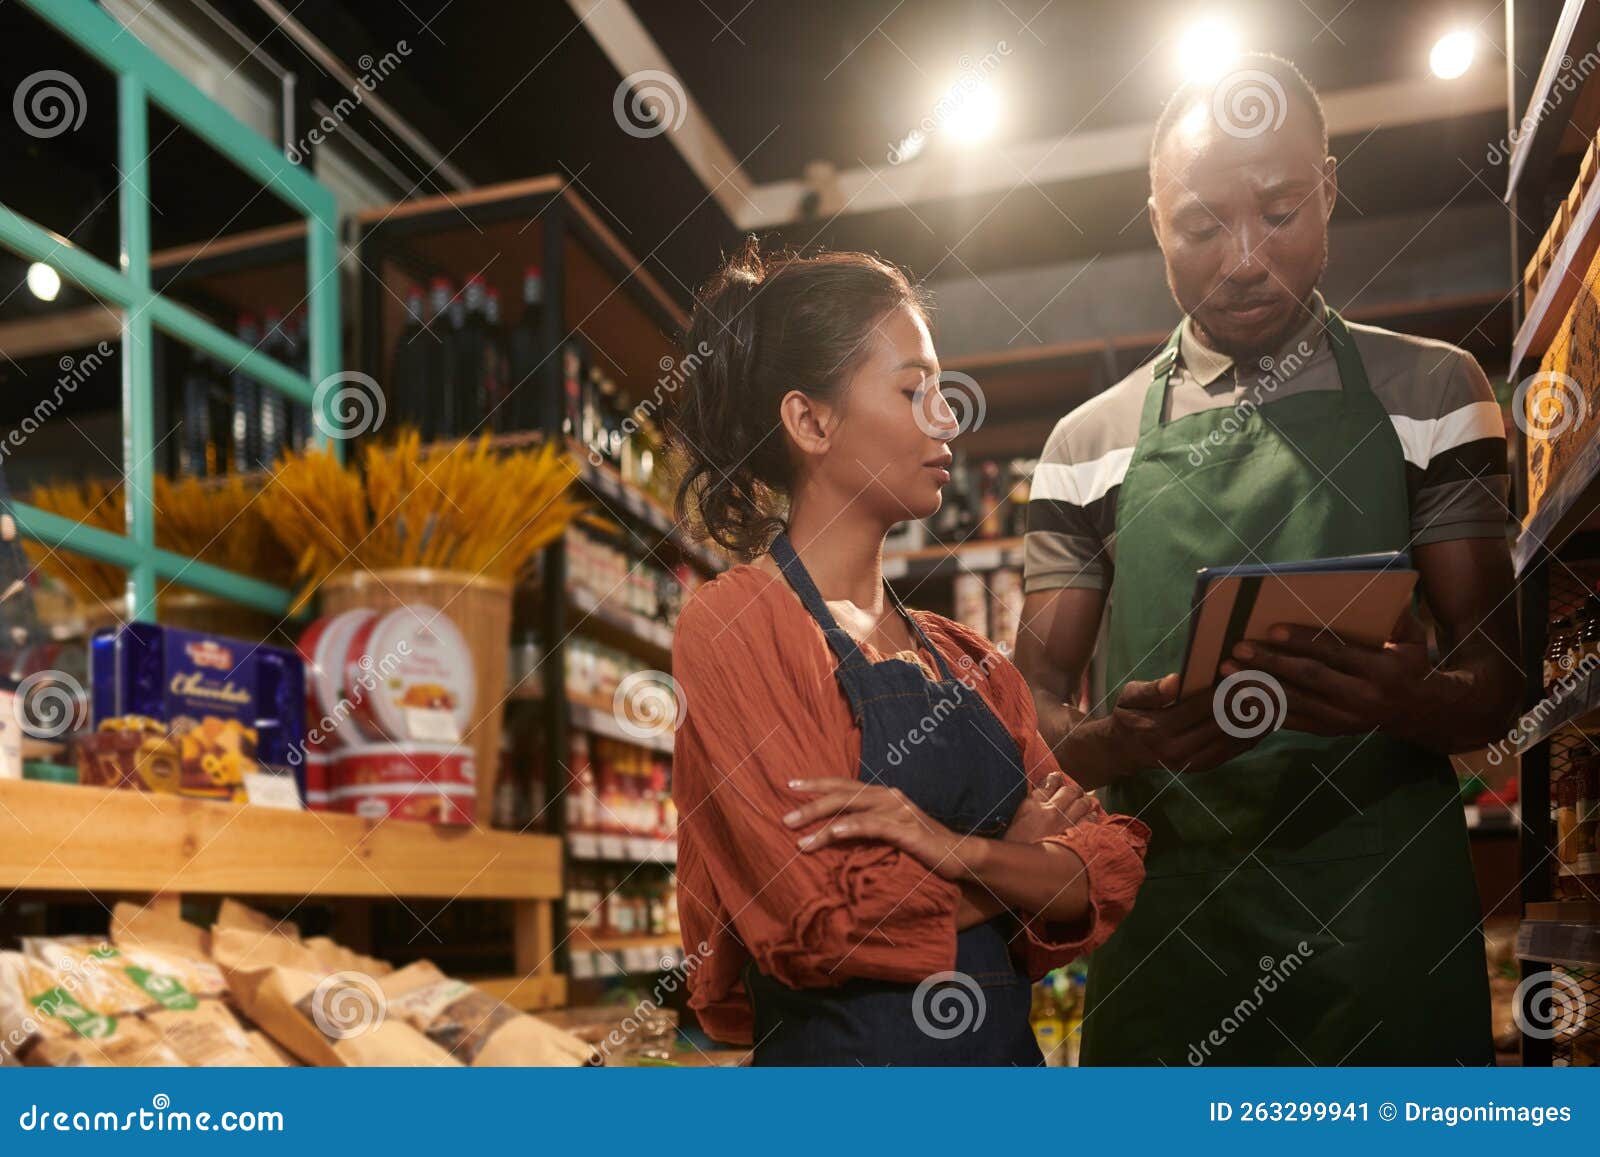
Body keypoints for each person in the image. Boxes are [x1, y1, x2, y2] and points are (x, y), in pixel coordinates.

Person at [1013, 54, 1521, 1066]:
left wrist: (1403, 699)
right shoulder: (1086, 445)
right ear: (1153, 218)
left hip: (1381, 927)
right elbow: (1033, 710)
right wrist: (1121, 741)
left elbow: (1502, 678)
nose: (1244, 258)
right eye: (1200, 226)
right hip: (1169, 925)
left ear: (1328, 188)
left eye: (1281, 210)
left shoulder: (1434, 391)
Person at [663, 240, 1150, 1066]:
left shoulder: (971, 661)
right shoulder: (738, 625)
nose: (948, 416)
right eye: (912, 390)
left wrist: (951, 848)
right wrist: (1019, 861)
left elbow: (1105, 871)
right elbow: (818, 920)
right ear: (810, 420)